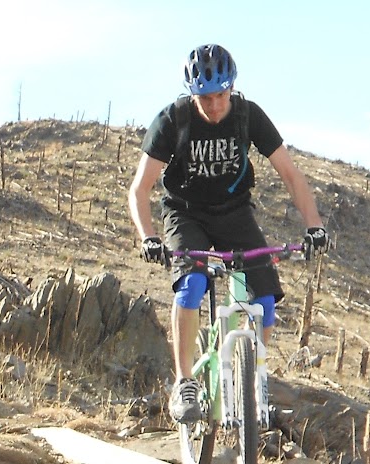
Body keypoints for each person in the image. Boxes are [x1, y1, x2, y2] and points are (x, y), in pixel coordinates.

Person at [128, 44, 328, 424]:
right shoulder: (173, 120)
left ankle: (257, 383)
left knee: (265, 300)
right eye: (205, 97)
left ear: (232, 88)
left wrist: (314, 225)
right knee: (191, 286)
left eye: (222, 94)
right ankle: (184, 382)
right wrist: (148, 236)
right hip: (186, 213)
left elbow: (290, 174)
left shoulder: (248, 115)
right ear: (192, 94)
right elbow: (140, 189)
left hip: (234, 212)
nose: (215, 105)